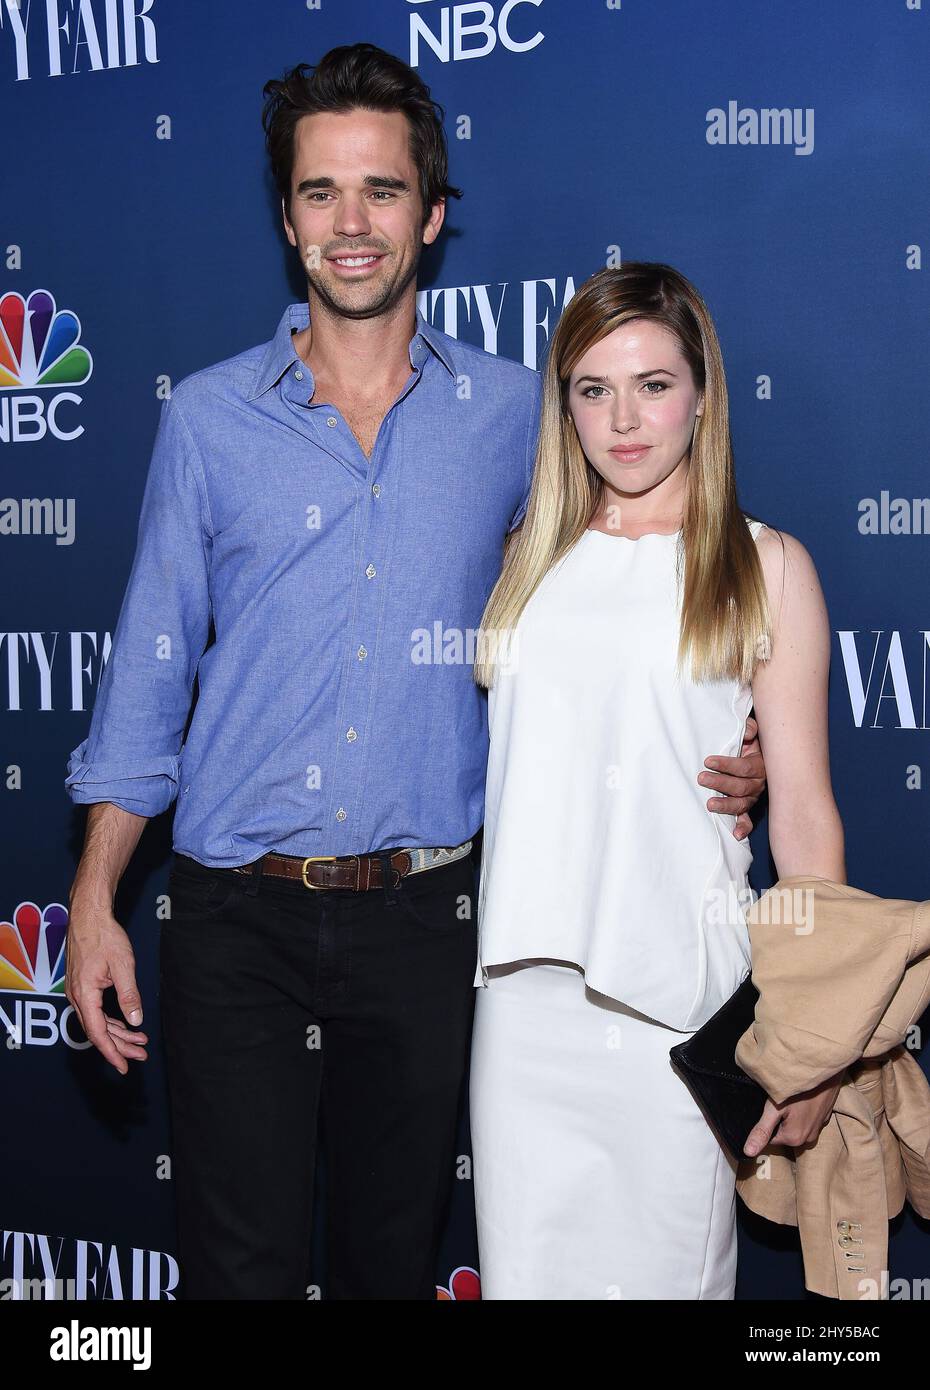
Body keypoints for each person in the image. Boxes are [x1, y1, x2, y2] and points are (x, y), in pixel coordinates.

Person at [63, 47, 766, 1300]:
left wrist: (732, 724)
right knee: (242, 1277)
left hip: (428, 926)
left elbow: (618, 605)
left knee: (395, 1270)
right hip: (235, 925)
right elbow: (146, 677)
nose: (351, 223)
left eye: (381, 192)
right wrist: (100, 891)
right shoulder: (210, 419)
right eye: (321, 193)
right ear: (286, 219)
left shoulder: (520, 417)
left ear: (430, 217)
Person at [469, 262, 847, 1300]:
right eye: (593, 389)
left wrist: (813, 1041)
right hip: (521, 1009)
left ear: (703, 395)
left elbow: (807, 821)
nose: (624, 419)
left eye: (654, 384)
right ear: (566, 407)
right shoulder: (524, 563)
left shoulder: (765, 567)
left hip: (678, 1013)